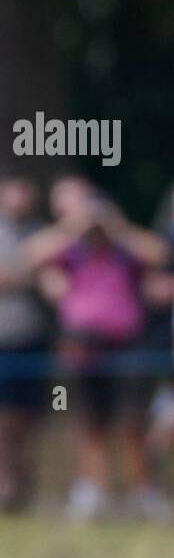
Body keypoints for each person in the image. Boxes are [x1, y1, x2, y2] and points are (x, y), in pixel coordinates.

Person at [24, 177, 171, 521]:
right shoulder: (68, 248)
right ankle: (93, 491)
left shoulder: (123, 247)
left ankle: (142, 491)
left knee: (134, 419)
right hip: (81, 344)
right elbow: (29, 255)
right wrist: (75, 226)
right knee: (88, 419)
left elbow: (161, 253)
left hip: (128, 345)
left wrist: (115, 227)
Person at [0, 177, 49, 510]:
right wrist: (32, 272)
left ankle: (21, 485)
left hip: (31, 340)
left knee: (28, 418)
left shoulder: (41, 231)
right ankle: (6, 484)